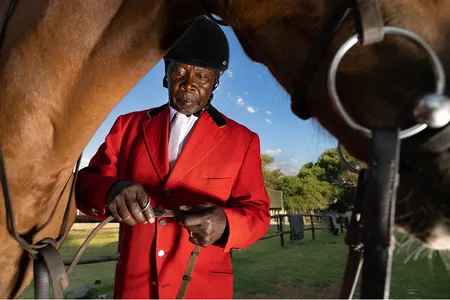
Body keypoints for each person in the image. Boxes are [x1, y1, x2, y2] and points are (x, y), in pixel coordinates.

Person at [74, 16, 271, 299]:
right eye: (180, 72)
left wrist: (226, 224)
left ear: (215, 81)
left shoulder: (243, 140)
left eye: (201, 76)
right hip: (135, 288)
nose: (189, 84)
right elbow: (85, 184)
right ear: (166, 74)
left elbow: (257, 212)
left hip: (202, 289)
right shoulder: (127, 126)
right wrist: (111, 190)